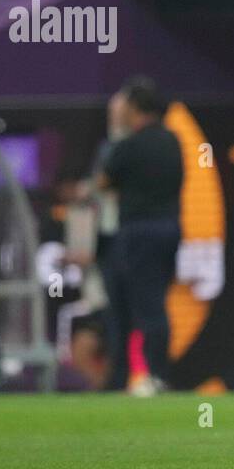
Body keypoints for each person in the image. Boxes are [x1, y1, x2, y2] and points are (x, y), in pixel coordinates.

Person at [97, 78, 182, 394]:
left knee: (142, 307)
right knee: (153, 302)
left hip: (138, 231)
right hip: (169, 229)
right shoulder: (173, 142)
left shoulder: (129, 144)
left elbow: (104, 183)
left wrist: (116, 134)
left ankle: (152, 376)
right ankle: (146, 375)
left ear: (133, 108)